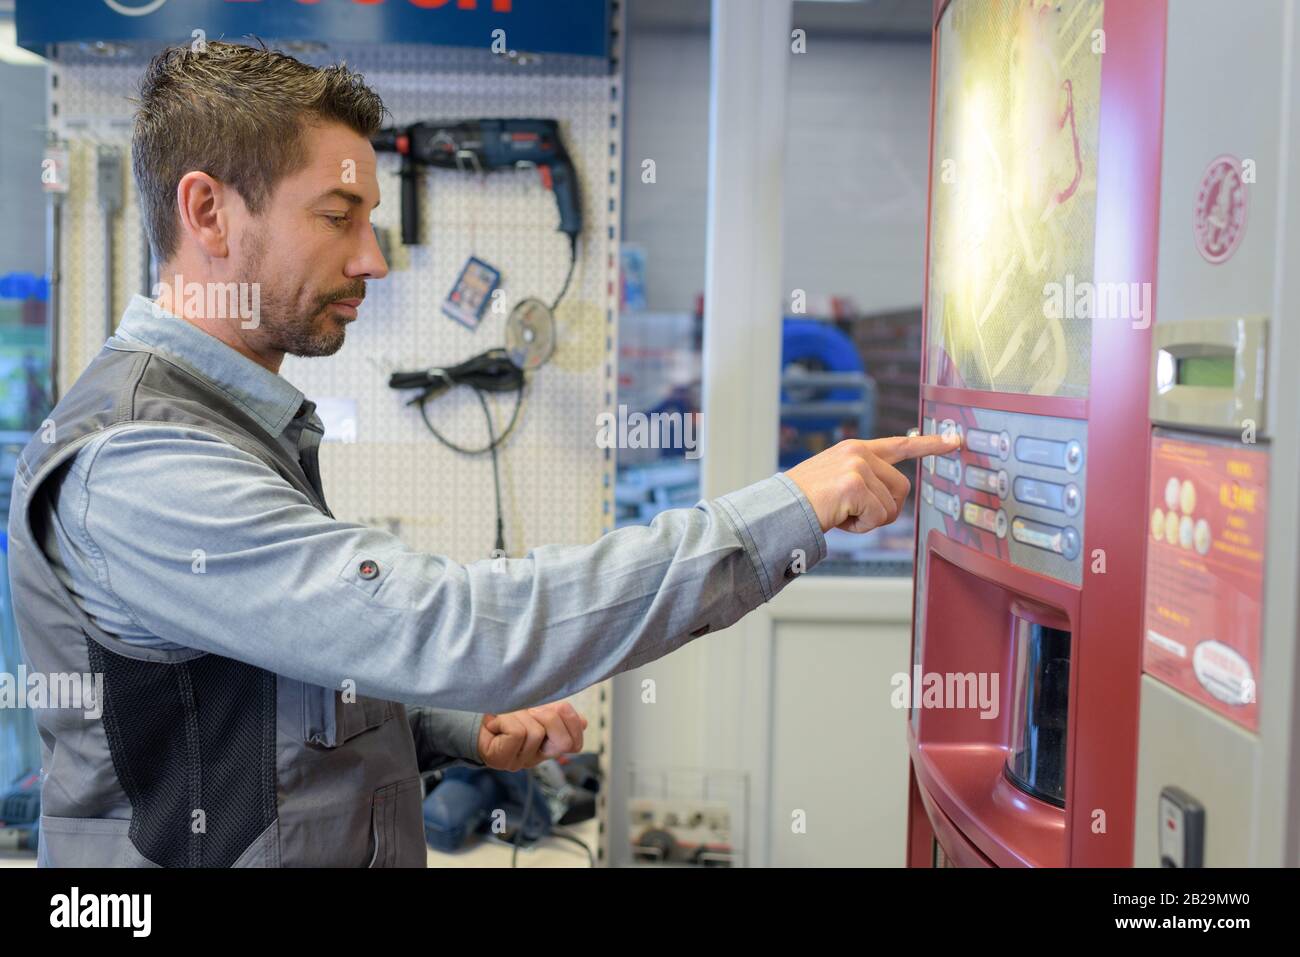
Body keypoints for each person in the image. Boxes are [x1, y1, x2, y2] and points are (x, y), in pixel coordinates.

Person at [7, 42, 958, 867]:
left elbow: (263, 681)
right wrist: (784, 508)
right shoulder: (137, 465)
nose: (373, 258)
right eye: (338, 216)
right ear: (208, 212)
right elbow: (450, 626)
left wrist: (443, 723)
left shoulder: (235, 421)